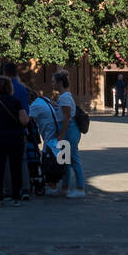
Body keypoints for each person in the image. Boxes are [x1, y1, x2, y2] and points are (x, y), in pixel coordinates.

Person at [0, 75, 30, 206]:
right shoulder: (16, 102)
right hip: (15, 139)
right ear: (10, 88)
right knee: (16, 169)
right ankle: (16, 197)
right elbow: (25, 120)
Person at [50, 70, 85, 198]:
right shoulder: (64, 97)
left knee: (74, 159)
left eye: (54, 82)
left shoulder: (64, 97)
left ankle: (80, 188)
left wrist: (61, 135)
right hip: (68, 130)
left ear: (59, 83)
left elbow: (66, 117)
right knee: (65, 160)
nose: (52, 84)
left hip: (68, 131)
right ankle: (65, 187)